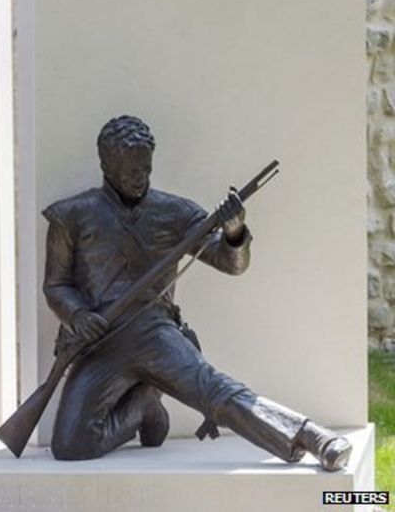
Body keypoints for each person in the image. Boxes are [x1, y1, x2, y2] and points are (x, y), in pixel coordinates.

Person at [44, 115, 351, 471]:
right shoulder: (70, 216)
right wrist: (78, 316)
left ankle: (311, 436)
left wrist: (235, 232)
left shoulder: (175, 212)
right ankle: (142, 405)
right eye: (129, 169)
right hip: (101, 342)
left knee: (215, 392)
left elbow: (231, 263)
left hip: (155, 333)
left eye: (145, 167)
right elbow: (56, 285)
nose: (139, 177)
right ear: (105, 164)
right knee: (71, 445)